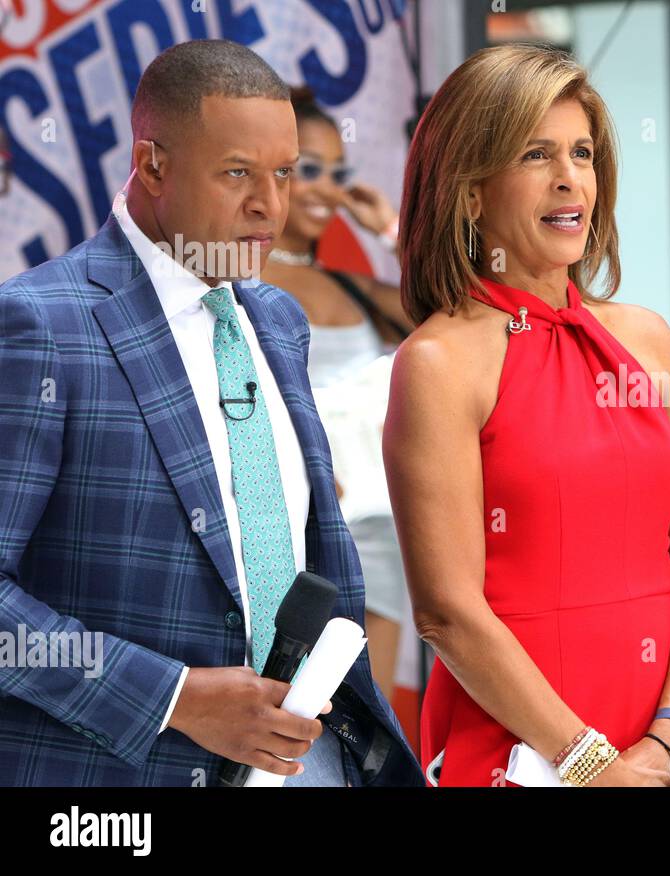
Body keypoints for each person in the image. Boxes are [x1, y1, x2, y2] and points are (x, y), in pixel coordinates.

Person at [0, 39, 421, 786]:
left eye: (283, 174)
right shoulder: (41, 323)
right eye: (237, 173)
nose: (271, 205)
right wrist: (174, 699)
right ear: (153, 163)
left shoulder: (278, 322)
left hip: (311, 759)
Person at [384, 43, 670, 786]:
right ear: (470, 191)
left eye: (582, 152)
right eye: (536, 154)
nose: (570, 176)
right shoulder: (437, 362)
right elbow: (446, 610)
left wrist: (667, 740)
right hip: (518, 750)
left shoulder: (650, 339)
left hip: (656, 751)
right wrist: (588, 764)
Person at [261, 86, 415, 702]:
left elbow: (463, 313)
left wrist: (390, 229)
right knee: (288, 707)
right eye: (309, 170)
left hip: (374, 527)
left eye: (338, 174)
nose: (325, 188)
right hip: (285, 519)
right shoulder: (230, 277)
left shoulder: (352, 289)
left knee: (367, 713)